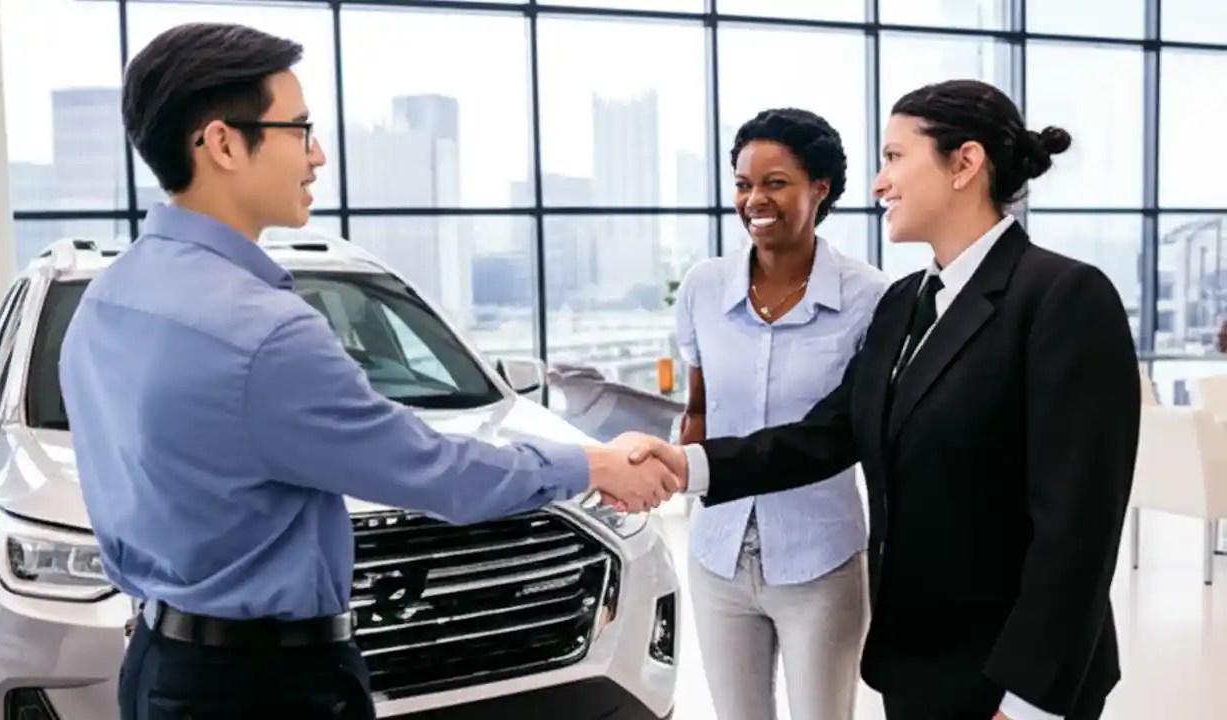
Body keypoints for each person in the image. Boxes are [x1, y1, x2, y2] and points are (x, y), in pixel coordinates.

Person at [58, 23, 677, 719]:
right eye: (300, 129)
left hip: (155, 665)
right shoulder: (264, 334)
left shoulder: (105, 300)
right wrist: (595, 464)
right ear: (223, 144)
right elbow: (434, 471)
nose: (317, 155)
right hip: (268, 688)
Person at [619, 79, 1139, 720]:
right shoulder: (905, 303)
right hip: (918, 664)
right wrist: (687, 465)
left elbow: (1080, 529)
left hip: (1010, 677)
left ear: (964, 164)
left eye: (895, 157)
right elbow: (829, 434)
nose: (878, 183)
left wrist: (1028, 703)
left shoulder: (1063, 298)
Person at [674, 108, 887, 720]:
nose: (754, 200)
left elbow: (857, 431)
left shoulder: (868, 296)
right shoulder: (703, 287)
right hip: (717, 556)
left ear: (820, 188)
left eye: (775, 183)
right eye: (744, 184)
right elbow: (698, 409)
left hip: (819, 560)